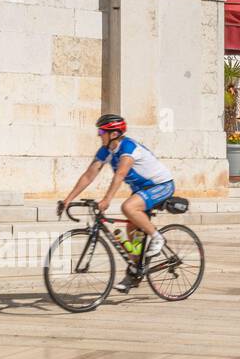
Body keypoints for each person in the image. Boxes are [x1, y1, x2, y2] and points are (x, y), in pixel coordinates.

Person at [58, 114, 176, 294]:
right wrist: (68, 199)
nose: (98, 135)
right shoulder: (105, 150)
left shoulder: (128, 148)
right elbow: (89, 175)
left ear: (113, 134)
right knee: (132, 230)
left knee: (128, 207)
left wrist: (106, 200)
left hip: (162, 185)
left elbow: (120, 175)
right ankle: (134, 274)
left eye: (101, 131)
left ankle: (157, 237)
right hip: (142, 190)